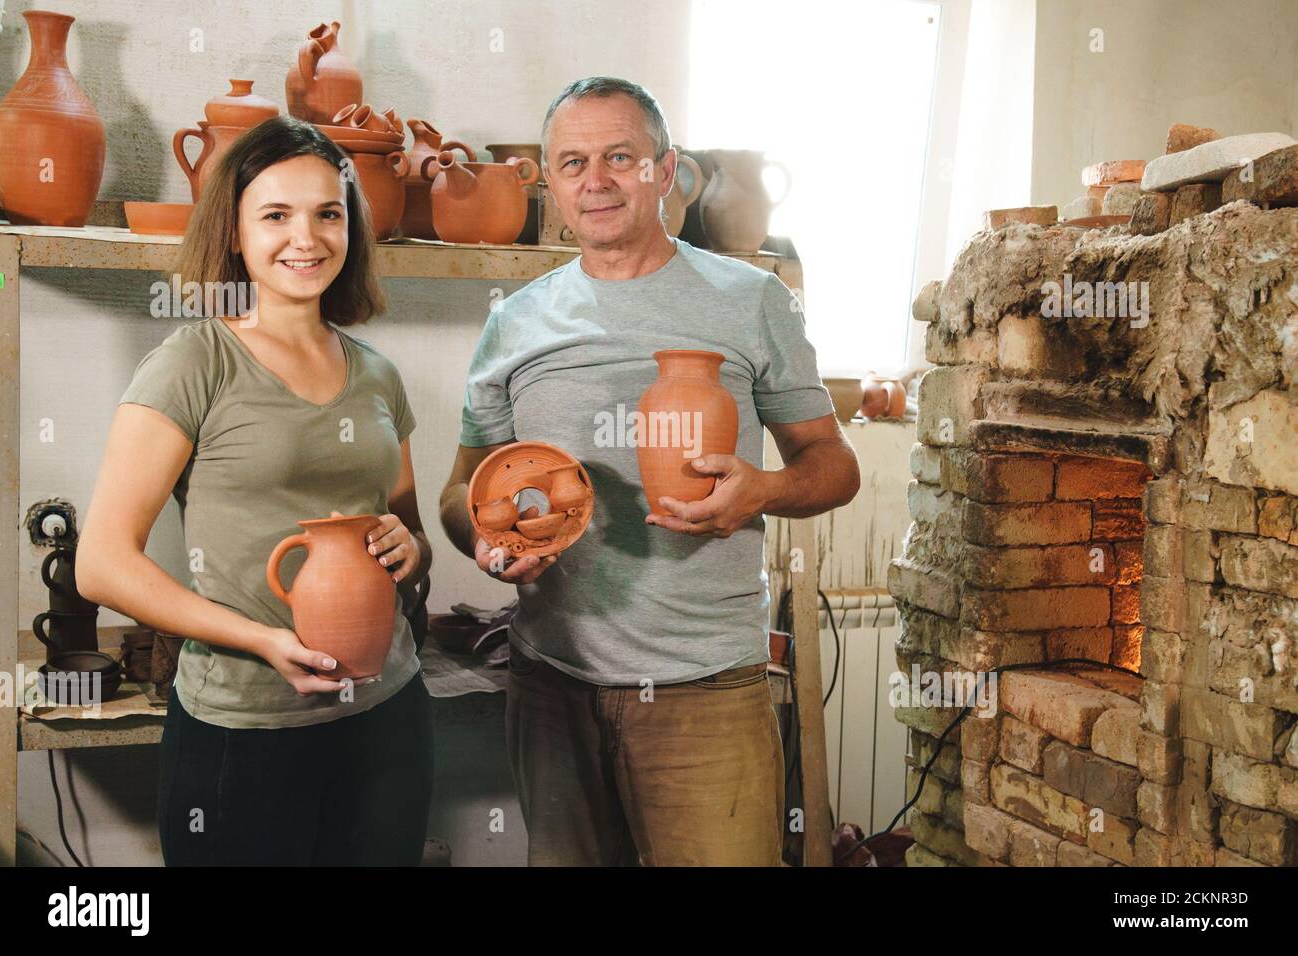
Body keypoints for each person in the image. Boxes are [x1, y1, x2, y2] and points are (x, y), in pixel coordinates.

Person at [439, 76, 860, 866]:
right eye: (572, 163)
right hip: (554, 681)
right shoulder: (514, 322)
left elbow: (834, 466)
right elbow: (461, 492)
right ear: (551, 185)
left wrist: (763, 490)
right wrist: (488, 542)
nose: (595, 181)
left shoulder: (751, 300)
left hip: (706, 686)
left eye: (619, 157)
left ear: (665, 173)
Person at [76, 117, 434, 866]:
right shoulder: (192, 362)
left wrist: (413, 547)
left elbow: (410, 536)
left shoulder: (377, 374)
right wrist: (263, 640)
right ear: (235, 233)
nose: (306, 237)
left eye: (327, 214)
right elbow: (101, 564)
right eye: (275, 215)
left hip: (386, 716)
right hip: (244, 728)